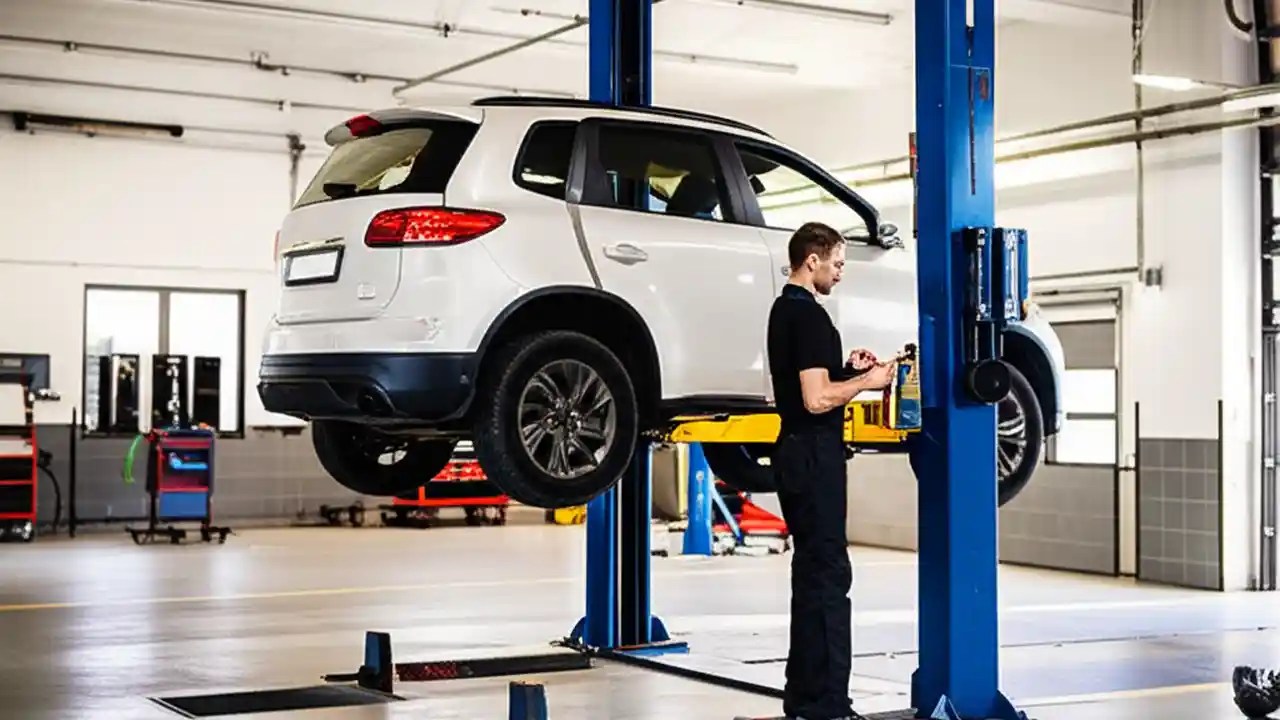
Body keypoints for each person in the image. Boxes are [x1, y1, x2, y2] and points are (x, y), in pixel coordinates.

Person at [766, 221, 897, 720]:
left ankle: (803, 697)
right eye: (837, 263)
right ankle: (828, 704)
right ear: (813, 259)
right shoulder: (812, 318)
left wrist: (845, 368)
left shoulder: (786, 311)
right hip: (814, 457)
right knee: (828, 576)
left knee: (810, 574)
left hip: (795, 452)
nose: (840, 274)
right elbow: (816, 398)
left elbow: (815, 380)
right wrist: (868, 379)